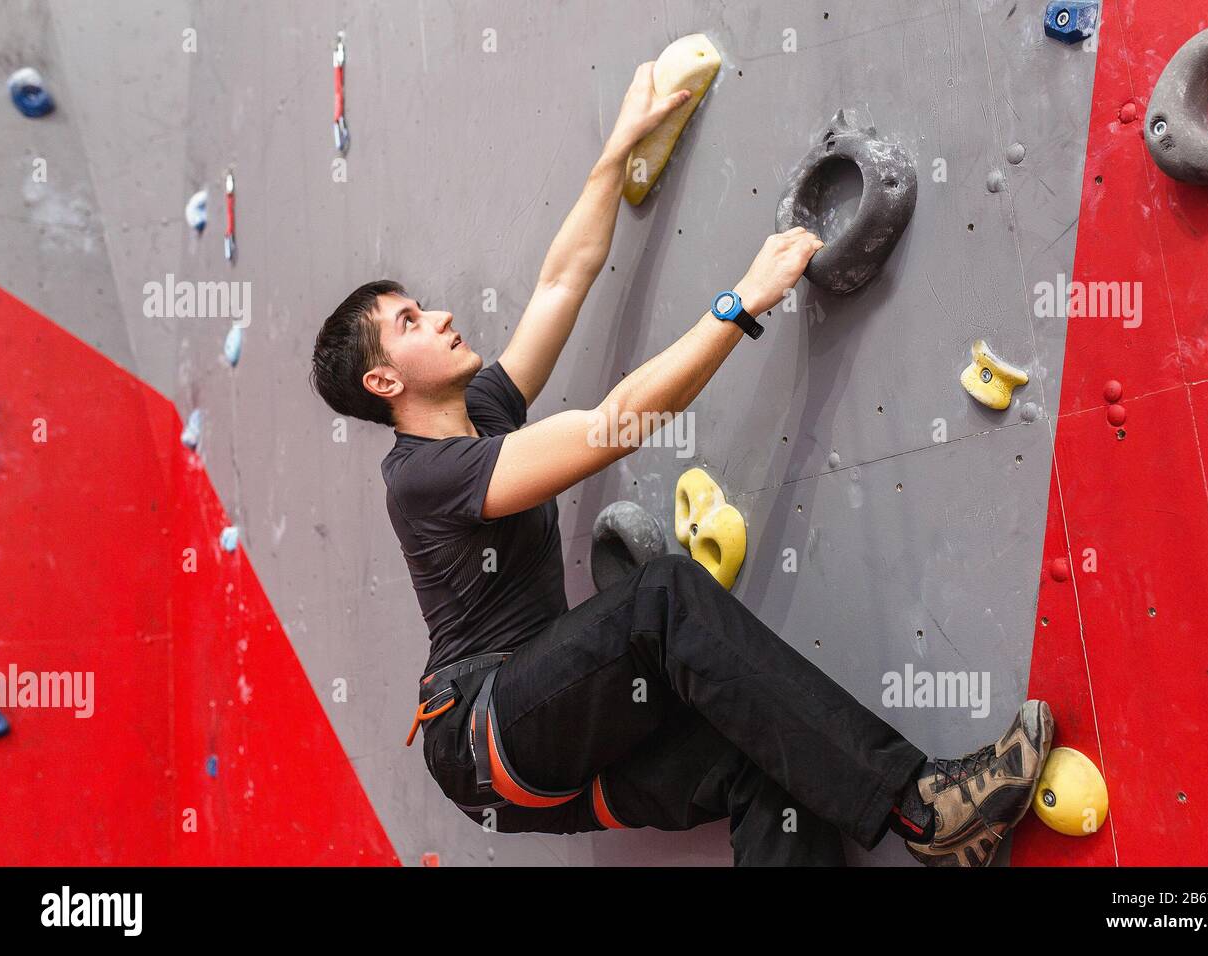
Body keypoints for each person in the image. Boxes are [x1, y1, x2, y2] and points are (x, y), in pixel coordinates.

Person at [309, 62, 1053, 866]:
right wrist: (742, 299)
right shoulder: (422, 479)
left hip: (551, 722)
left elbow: (562, 281)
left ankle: (922, 820)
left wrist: (620, 147)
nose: (442, 314)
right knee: (659, 596)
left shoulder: (482, 412)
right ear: (383, 382)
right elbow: (616, 427)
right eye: (412, 321)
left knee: (766, 767)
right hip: (487, 735)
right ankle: (925, 809)